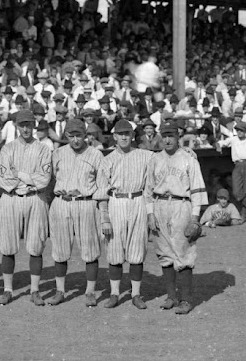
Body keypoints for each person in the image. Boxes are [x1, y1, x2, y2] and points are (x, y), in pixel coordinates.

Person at [148, 121, 208, 315]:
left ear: (177, 137)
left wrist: (195, 218)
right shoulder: (155, 159)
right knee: (164, 253)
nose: (167, 140)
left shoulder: (189, 159)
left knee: (183, 253)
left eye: (171, 136)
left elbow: (198, 191)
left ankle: (186, 299)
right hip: (159, 205)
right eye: (164, 136)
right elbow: (148, 190)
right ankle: (171, 296)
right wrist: (150, 213)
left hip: (181, 205)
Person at [0, 110, 53, 305]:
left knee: (36, 246)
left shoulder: (44, 149)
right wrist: (29, 179)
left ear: (34, 125)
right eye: (22, 125)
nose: (26, 128)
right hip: (11, 198)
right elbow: (4, 180)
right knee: (8, 246)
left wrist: (18, 173)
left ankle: (35, 290)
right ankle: (8, 289)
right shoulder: (7, 149)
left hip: (36, 198)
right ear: (16, 126)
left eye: (29, 124)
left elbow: (43, 180)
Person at [48, 118, 109, 307]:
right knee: (60, 250)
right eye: (71, 136)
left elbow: (101, 186)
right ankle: (60, 290)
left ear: (86, 135)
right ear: (66, 136)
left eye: (79, 135)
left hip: (86, 203)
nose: (75, 140)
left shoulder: (96, 155)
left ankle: (90, 291)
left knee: (90, 250)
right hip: (62, 202)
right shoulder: (57, 153)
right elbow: (53, 178)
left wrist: (104, 213)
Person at [97, 119, 153, 309]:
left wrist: (186, 150)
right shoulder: (107, 160)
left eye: (127, 133)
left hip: (138, 200)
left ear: (132, 136)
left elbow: (164, 158)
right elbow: (101, 192)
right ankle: (114, 294)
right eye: (120, 134)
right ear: (114, 136)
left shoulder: (145, 156)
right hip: (116, 202)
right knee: (114, 249)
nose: (124, 137)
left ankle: (136, 294)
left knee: (137, 250)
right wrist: (104, 217)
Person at [216, 121, 246, 207]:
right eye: (238, 130)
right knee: (236, 192)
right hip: (237, 165)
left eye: (242, 130)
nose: (239, 132)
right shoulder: (233, 139)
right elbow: (221, 143)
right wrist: (218, 146)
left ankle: (244, 214)